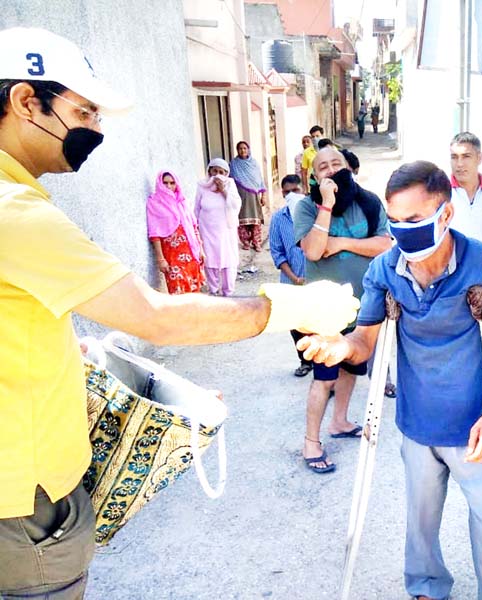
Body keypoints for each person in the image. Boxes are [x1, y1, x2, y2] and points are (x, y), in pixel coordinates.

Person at [0, 27, 359, 600]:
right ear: (25, 101)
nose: (95, 129)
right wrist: (293, 305)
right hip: (23, 499)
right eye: (83, 111)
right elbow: (157, 317)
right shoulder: (14, 210)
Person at [298, 160, 482, 600]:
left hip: (476, 427)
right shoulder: (386, 269)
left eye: (414, 220)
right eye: (394, 221)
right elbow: (364, 341)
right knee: (420, 520)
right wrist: (340, 348)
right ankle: (427, 587)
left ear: (446, 213)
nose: (402, 232)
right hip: (416, 424)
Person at [294, 145, 392, 473]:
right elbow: (312, 251)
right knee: (324, 377)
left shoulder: (369, 202)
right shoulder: (306, 207)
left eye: (336, 163)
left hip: (363, 305)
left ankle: (339, 421)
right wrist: (326, 204)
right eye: (323, 167)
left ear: (348, 167)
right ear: (314, 176)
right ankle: (311, 442)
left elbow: (385, 245)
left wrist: (341, 243)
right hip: (323, 309)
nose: (331, 169)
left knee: (352, 368)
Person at [271, 174, 312, 377]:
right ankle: (305, 361)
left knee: (319, 320)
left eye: (295, 191)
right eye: (286, 192)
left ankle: (324, 365)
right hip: (291, 280)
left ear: (303, 190)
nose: (291, 195)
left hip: (316, 278)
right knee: (295, 322)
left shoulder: (314, 214)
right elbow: (277, 253)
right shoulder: (278, 219)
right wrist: (295, 278)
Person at [146, 170, 205, 294]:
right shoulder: (154, 203)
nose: (169, 186)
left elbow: (194, 227)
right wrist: (161, 259)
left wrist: (200, 250)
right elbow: (155, 234)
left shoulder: (182, 202)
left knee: (194, 290)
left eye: (172, 183)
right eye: (165, 183)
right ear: (160, 183)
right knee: (178, 290)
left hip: (191, 252)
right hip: (172, 255)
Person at [195, 158, 242, 296]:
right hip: (207, 229)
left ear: (226, 174)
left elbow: (236, 205)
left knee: (228, 259)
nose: (217, 175)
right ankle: (213, 290)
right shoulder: (202, 186)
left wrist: (223, 191)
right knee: (210, 259)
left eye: (221, 172)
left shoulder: (230, 185)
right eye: (214, 171)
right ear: (209, 172)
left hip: (226, 230)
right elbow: (196, 208)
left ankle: (228, 292)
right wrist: (195, 229)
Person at [230, 140, 267, 252]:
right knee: (242, 221)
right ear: (237, 150)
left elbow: (260, 180)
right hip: (240, 196)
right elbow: (230, 181)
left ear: (248, 150)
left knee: (255, 221)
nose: (242, 151)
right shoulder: (234, 164)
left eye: (244, 148)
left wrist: (263, 196)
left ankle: (257, 242)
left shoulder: (254, 164)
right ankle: (245, 242)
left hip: (253, 197)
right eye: (240, 149)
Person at [300, 125, 324, 194]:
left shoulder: (328, 149)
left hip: (326, 183)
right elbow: (304, 172)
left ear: (322, 136)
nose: (315, 139)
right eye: (313, 137)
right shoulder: (306, 152)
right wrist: (305, 188)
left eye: (317, 136)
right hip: (313, 184)